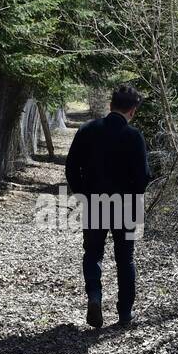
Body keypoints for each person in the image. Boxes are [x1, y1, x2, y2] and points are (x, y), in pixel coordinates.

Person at [64, 84, 151, 329]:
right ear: (133, 110)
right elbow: (143, 176)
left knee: (93, 254)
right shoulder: (134, 136)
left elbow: (71, 169)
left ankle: (94, 296)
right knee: (126, 259)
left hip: (94, 203)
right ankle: (124, 315)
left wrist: (83, 194)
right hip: (127, 206)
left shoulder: (87, 130)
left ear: (110, 105)